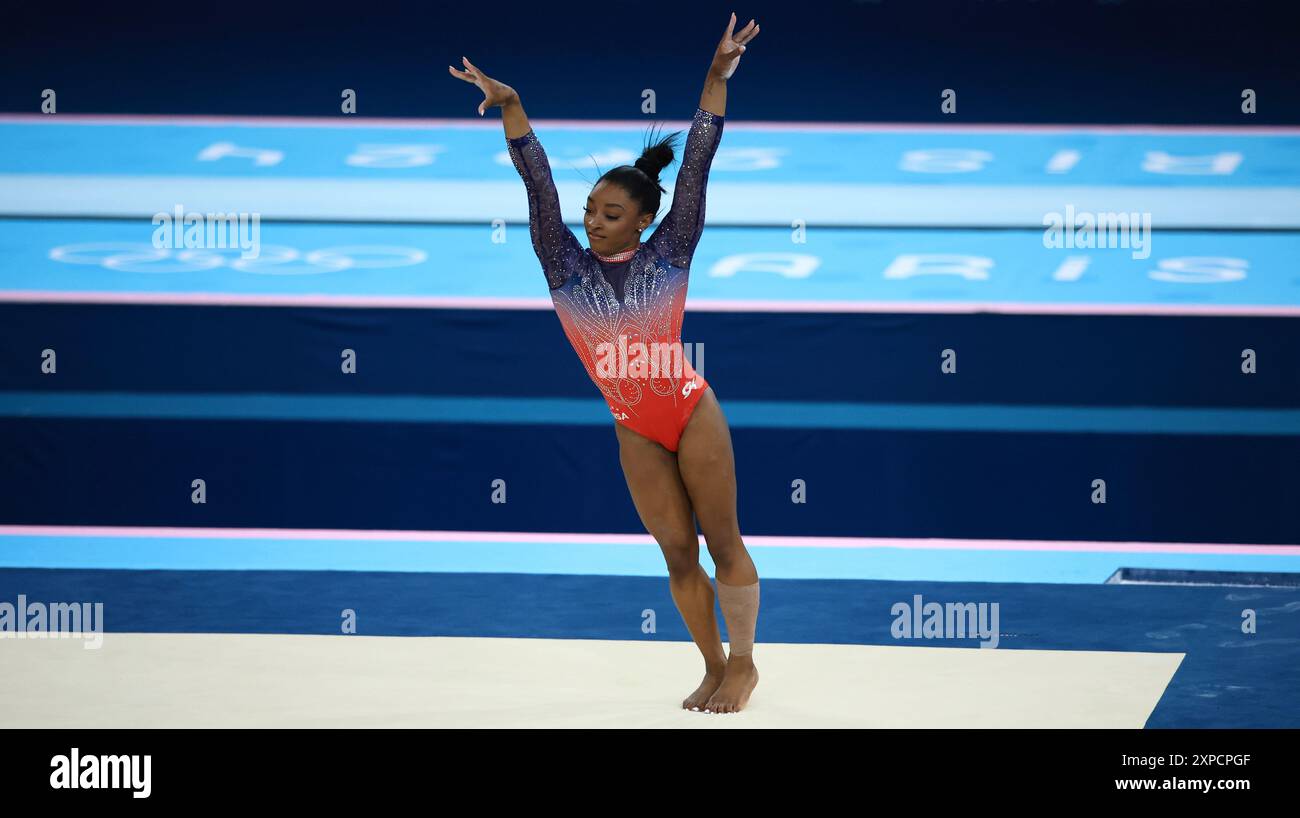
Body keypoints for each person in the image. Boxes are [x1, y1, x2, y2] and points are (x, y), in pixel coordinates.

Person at [450, 13, 762, 714]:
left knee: (721, 539)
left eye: (610, 213)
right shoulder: (561, 266)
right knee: (678, 554)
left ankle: (744, 663)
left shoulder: (672, 248)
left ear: (642, 221)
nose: (592, 221)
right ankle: (711, 665)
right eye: (591, 209)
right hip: (633, 425)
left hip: (688, 410)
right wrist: (512, 106)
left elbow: (700, 162)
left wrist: (716, 76)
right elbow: (537, 186)